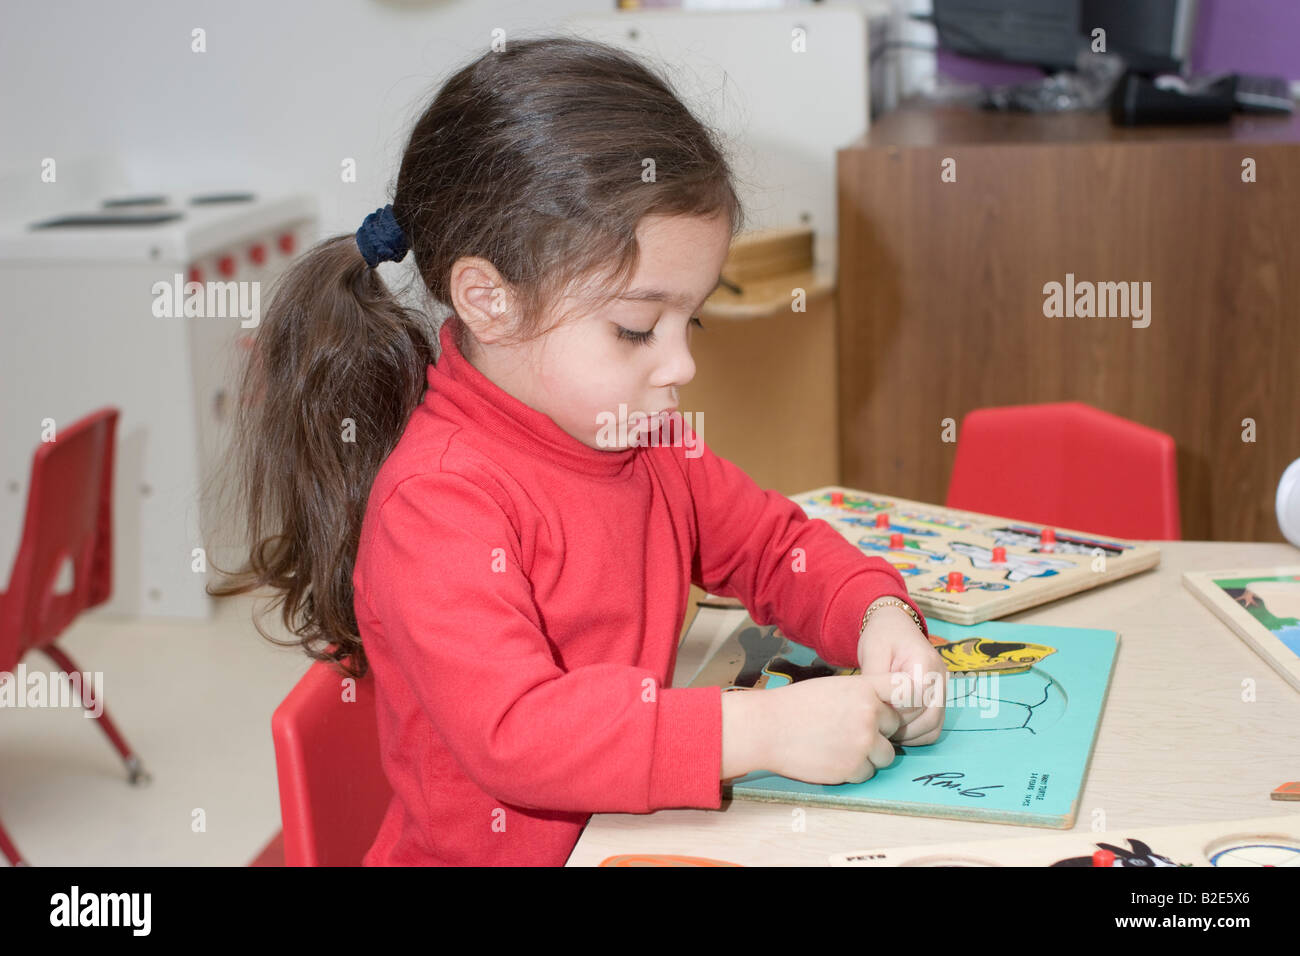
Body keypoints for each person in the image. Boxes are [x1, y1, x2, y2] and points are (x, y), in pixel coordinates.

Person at [211, 35, 946, 866]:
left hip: (622, 836)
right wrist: (755, 728)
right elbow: (520, 732)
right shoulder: (438, 499)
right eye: (636, 328)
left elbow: (776, 548)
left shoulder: (642, 436)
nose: (682, 365)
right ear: (488, 300)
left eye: (690, 319)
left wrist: (879, 617)